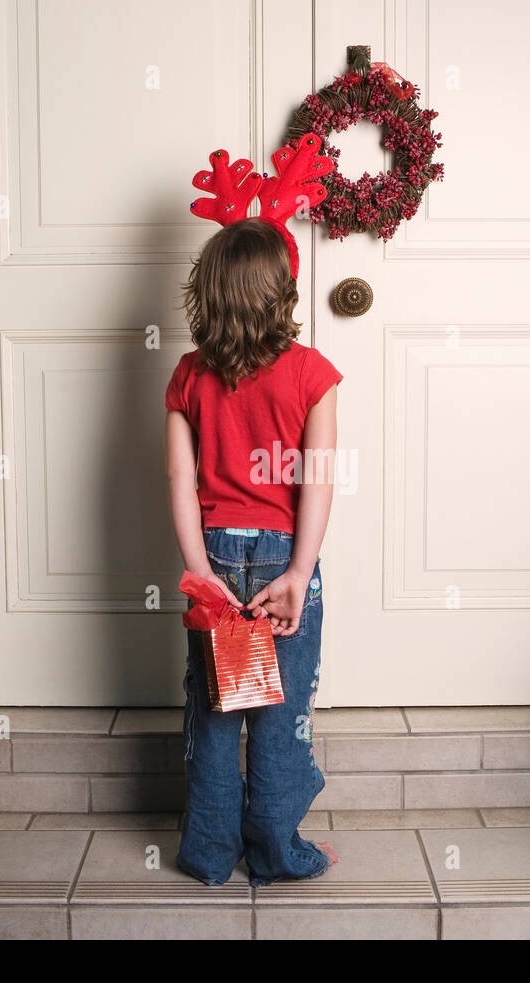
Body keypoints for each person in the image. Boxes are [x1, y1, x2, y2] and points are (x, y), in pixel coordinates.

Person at [164, 217, 343, 887]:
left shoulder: (187, 376)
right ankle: (276, 854)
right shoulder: (312, 373)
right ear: (282, 294)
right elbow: (316, 479)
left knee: (216, 709)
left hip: (214, 551)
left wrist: (202, 574)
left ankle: (209, 855)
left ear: (205, 295)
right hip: (281, 555)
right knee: (281, 710)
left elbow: (182, 482)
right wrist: (298, 571)